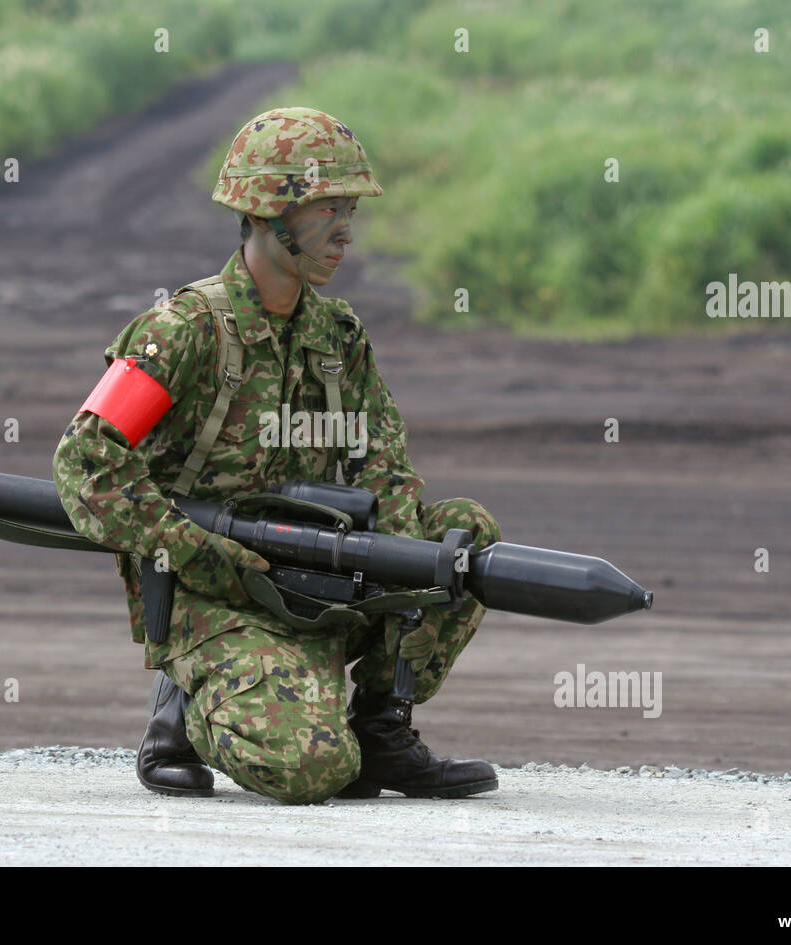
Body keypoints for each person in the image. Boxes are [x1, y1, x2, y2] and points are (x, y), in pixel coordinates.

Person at [52, 106, 501, 805]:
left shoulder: (338, 335)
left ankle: (382, 728)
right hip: (212, 590)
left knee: (460, 536)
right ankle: (185, 711)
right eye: (327, 208)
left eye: (349, 207)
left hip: (317, 574)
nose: (346, 229)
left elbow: (382, 462)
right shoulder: (182, 331)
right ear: (268, 213)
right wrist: (196, 551)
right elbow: (86, 460)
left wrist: (405, 560)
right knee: (314, 771)